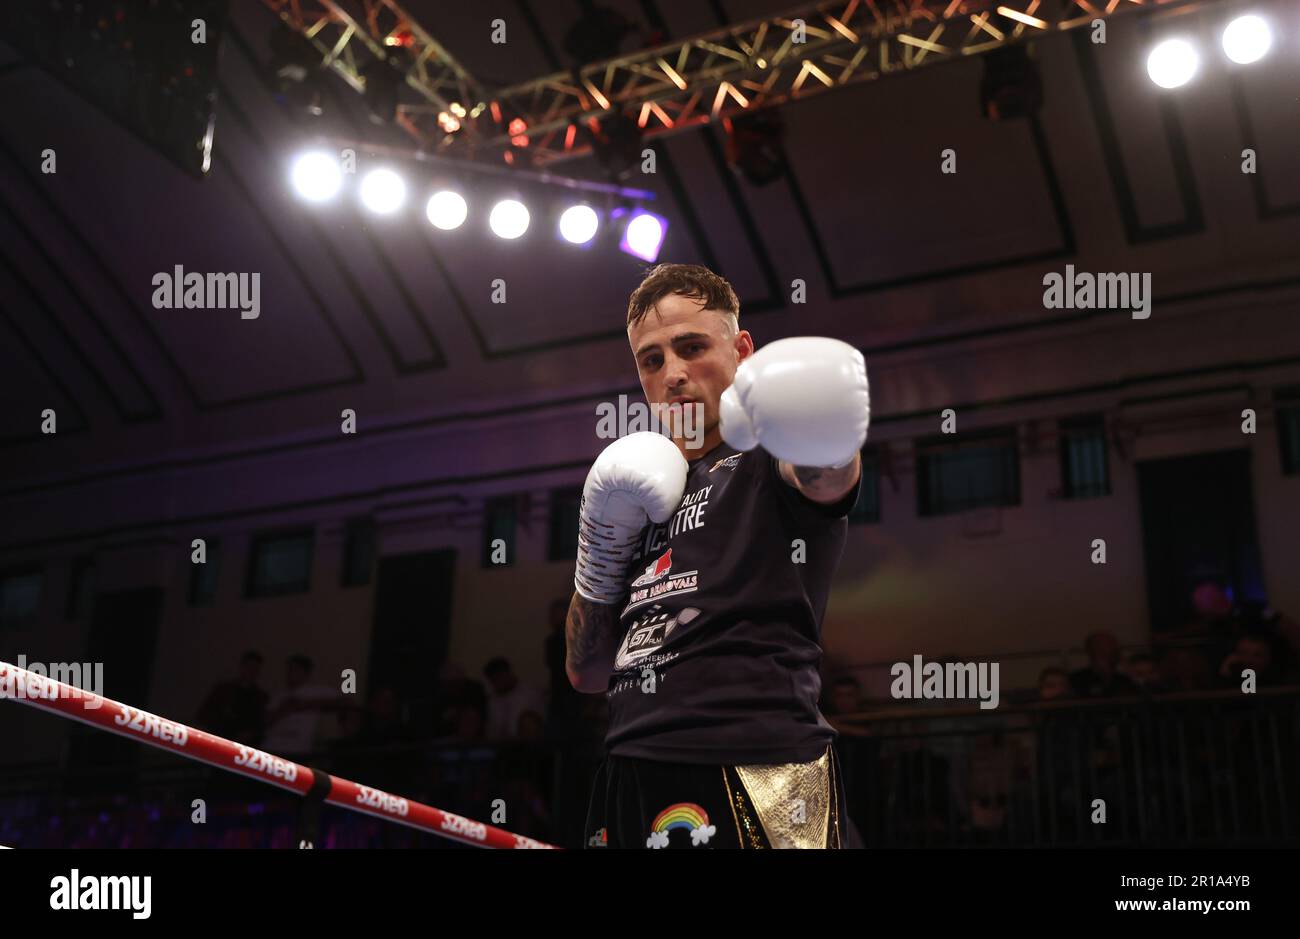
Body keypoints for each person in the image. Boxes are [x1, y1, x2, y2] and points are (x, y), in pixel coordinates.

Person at [568, 263, 869, 849]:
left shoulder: (768, 456)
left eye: (691, 347)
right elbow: (586, 673)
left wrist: (821, 422)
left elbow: (828, 479)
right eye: (652, 360)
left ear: (741, 349)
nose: (673, 374)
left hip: (754, 764)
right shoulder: (635, 491)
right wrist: (598, 558)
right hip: (627, 767)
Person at [262, 655, 340, 758]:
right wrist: (284, 709)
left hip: (297, 751)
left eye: (296, 670)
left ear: (306, 673)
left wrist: (305, 704)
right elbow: (265, 721)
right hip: (271, 747)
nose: (291, 673)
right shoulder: (279, 694)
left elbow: (344, 702)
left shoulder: (317, 691)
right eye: (289, 670)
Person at [195, 650, 268, 743]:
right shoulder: (223, 690)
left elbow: (261, 724)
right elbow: (204, 714)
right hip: (220, 738)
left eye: (255, 668)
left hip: (248, 745)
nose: (251, 671)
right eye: (249, 666)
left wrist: (250, 733)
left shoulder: (261, 697)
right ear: (242, 667)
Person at [482, 657, 545, 743]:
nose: (497, 683)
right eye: (493, 680)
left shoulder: (530, 694)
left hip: (529, 746)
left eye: (499, 677)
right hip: (499, 748)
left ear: (508, 673)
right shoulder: (492, 701)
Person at [1069, 631, 1140, 698]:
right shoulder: (1077, 680)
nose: (1111, 650)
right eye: (1101, 646)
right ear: (1091, 651)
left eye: (1112, 645)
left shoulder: (1126, 679)